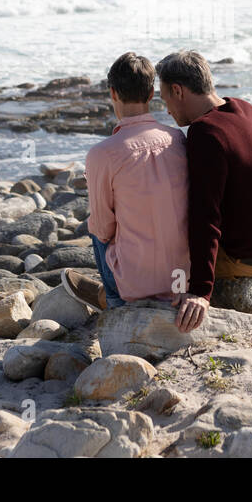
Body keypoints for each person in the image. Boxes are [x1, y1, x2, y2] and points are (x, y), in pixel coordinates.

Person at [156, 50, 252, 333]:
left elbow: (205, 217)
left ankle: (108, 296)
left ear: (177, 90)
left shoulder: (205, 133)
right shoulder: (243, 107)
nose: (167, 109)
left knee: (158, 254)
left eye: (165, 99)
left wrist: (200, 292)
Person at [61, 52, 190, 310]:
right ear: (151, 94)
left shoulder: (102, 154)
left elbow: (103, 229)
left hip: (135, 287)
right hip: (182, 281)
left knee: (97, 225)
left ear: (113, 94)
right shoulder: (178, 139)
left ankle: (111, 300)